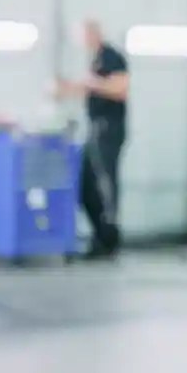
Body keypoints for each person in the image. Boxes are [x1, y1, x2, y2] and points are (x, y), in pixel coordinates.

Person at [56, 19, 130, 258]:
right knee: (86, 183)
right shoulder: (95, 59)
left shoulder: (111, 56)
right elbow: (91, 87)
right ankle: (99, 236)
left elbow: (120, 88)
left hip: (108, 129)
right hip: (94, 128)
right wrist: (67, 89)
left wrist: (91, 83)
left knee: (105, 182)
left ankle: (110, 238)